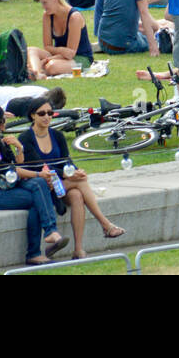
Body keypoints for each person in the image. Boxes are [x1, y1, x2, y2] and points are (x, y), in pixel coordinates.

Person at [0, 105, 69, 265]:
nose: (5, 125)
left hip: (4, 185)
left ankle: (45, 240)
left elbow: (17, 165)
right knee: (37, 195)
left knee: (39, 186)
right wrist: (39, 174)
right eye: (2, 121)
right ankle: (43, 242)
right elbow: (8, 170)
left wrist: (19, 148)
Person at [16, 95, 123, 256]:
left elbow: (66, 161)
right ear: (32, 115)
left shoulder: (57, 136)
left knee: (77, 196)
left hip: (62, 183)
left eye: (50, 113)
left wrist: (75, 170)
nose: (47, 117)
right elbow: (38, 166)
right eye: (42, 113)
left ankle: (78, 249)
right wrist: (69, 174)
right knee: (80, 183)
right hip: (44, 186)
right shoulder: (25, 138)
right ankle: (105, 224)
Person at [28, 0, 93, 77]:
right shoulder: (47, 16)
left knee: (52, 66)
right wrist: (61, 51)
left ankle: (34, 69)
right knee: (31, 50)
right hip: (58, 55)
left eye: (45, 3)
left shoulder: (74, 17)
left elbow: (71, 53)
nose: (43, 6)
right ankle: (37, 73)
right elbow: (47, 46)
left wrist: (48, 59)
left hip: (79, 57)